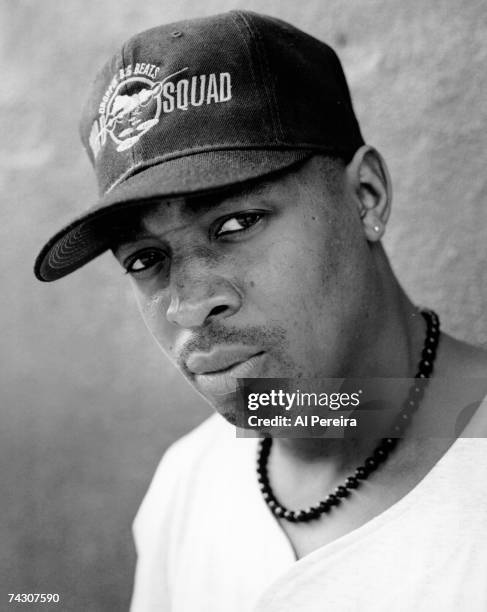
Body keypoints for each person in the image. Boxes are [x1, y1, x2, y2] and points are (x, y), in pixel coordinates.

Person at [34, 10, 487, 612]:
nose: (191, 306)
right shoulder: (189, 482)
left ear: (366, 196)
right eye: (146, 259)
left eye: (236, 223)